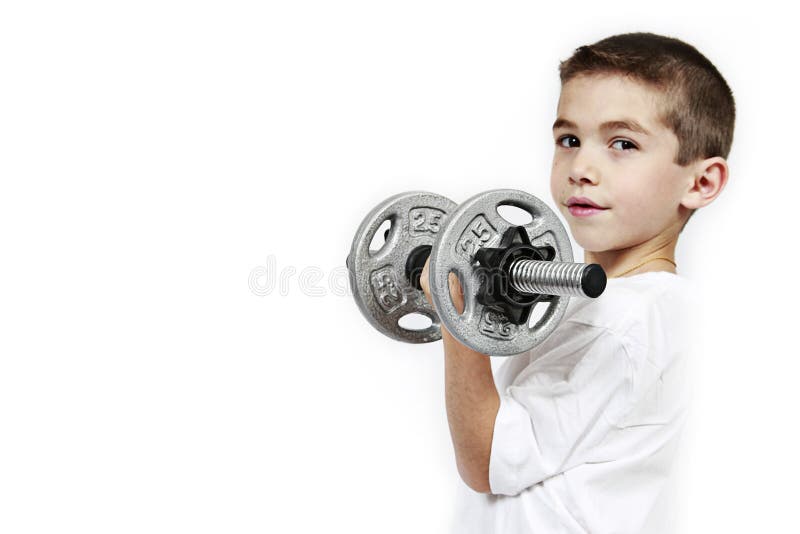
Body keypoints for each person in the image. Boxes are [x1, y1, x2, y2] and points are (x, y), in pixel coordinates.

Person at [419, 32, 733, 533]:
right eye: (569, 140)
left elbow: (488, 460)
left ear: (701, 182)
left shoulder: (619, 319)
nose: (581, 169)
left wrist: (456, 314)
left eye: (623, 144)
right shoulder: (652, 308)